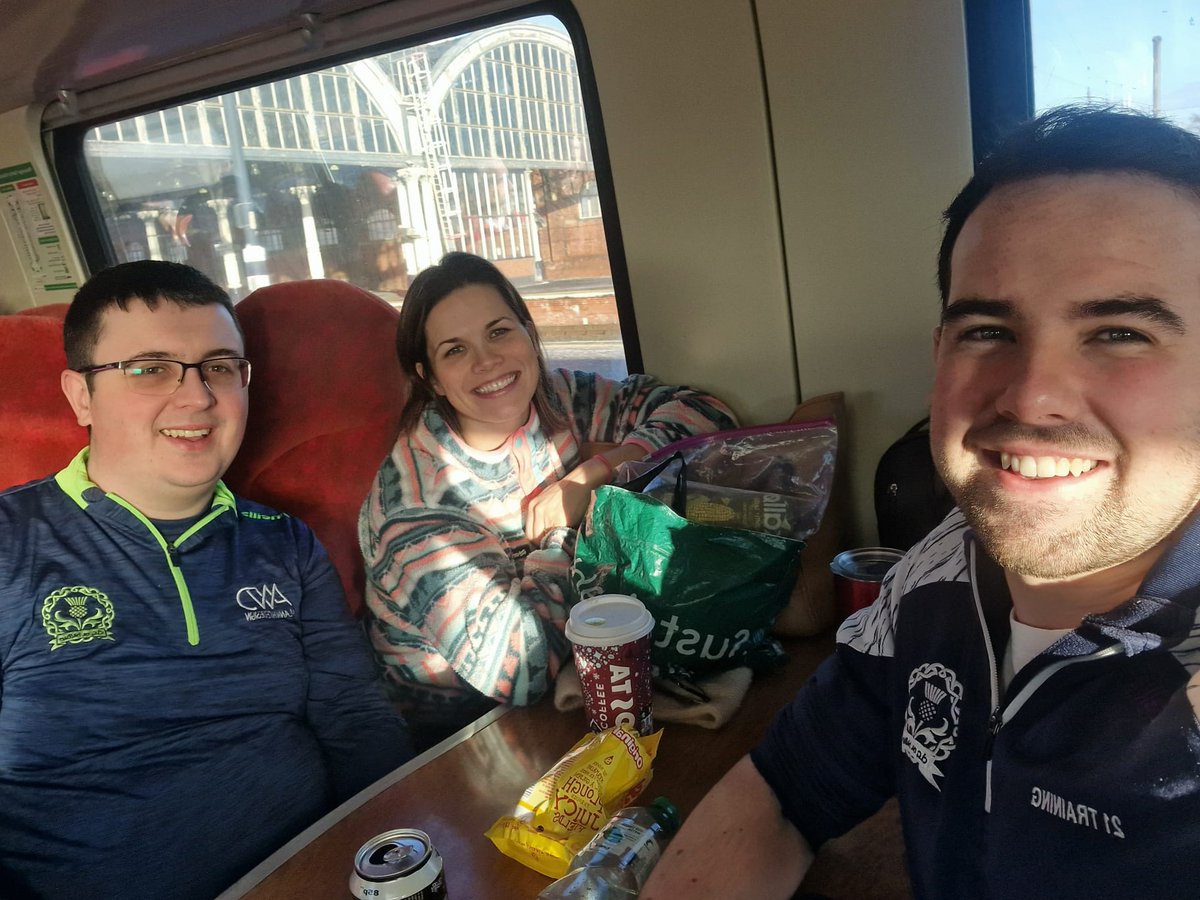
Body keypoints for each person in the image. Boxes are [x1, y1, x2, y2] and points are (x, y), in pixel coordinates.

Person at [642, 104, 1200, 900]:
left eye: (1120, 333)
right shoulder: (938, 568)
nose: (1031, 396)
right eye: (988, 331)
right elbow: (786, 790)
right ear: (940, 356)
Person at [0, 261, 413, 900]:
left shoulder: (285, 542)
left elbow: (354, 718)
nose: (197, 397)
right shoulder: (11, 542)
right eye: (150, 369)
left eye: (220, 367)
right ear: (81, 395)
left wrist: (401, 855)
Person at [359, 252, 736, 748]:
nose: (487, 362)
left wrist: (595, 473)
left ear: (528, 332)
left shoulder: (557, 399)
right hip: (466, 728)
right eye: (455, 350)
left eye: (499, 332)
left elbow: (705, 412)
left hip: (577, 652)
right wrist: (567, 527)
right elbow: (522, 669)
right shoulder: (417, 505)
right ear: (430, 378)